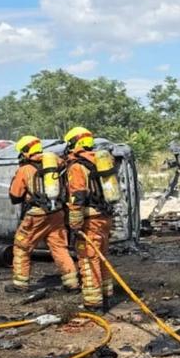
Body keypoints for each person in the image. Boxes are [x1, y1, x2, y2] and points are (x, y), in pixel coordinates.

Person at [6, 135, 78, 293]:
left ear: (25, 152)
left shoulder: (25, 169)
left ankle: (20, 284)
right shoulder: (58, 163)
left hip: (37, 216)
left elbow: (15, 196)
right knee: (60, 248)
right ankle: (72, 283)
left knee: (22, 247)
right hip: (57, 213)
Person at [64, 126, 113, 310]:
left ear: (74, 144)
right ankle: (106, 295)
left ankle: (93, 303)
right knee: (101, 257)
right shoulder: (99, 162)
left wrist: (75, 224)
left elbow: (78, 196)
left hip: (90, 219)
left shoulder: (77, 166)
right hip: (104, 217)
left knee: (87, 258)